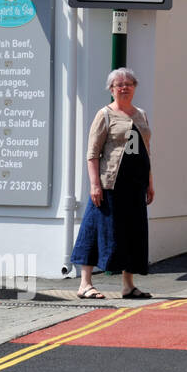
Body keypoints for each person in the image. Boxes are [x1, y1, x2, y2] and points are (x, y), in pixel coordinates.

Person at [71, 68, 155, 299]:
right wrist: (94, 184)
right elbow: (92, 153)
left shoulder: (141, 114)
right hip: (110, 184)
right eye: (119, 84)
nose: (124, 87)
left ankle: (128, 285)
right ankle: (85, 284)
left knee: (132, 233)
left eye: (129, 83)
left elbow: (147, 151)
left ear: (135, 87)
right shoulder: (105, 115)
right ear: (111, 89)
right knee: (95, 228)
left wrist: (150, 182)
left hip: (135, 184)